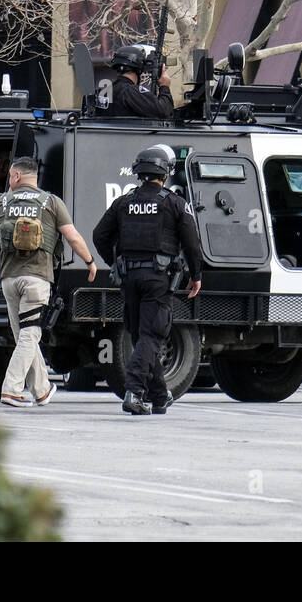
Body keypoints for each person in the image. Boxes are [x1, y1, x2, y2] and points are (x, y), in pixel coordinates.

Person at [92, 144, 203, 416]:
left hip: (130, 277)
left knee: (143, 336)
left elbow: (99, 236)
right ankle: (134, 392)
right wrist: (196, 275)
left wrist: (116, 263)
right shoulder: (175, 203)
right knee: (152, 335)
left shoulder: (123, 202)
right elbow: (191, 243)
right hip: (158, 278)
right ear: (164, 173)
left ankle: (159, 395)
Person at [0, 157, 97, 408]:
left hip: (9, 278)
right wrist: (89, 261)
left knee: (23, 335)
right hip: (37, 278)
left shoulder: (2, 201)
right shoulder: (51, 202)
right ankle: (11, 389)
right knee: (30, 334)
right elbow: (72, 236)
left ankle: (41, 389)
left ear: (16, 177)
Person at [103, 44, 174, 119]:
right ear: (140, 68)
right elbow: (165, 113)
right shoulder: (131, 92)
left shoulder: (104, 91)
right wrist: (164, 86)